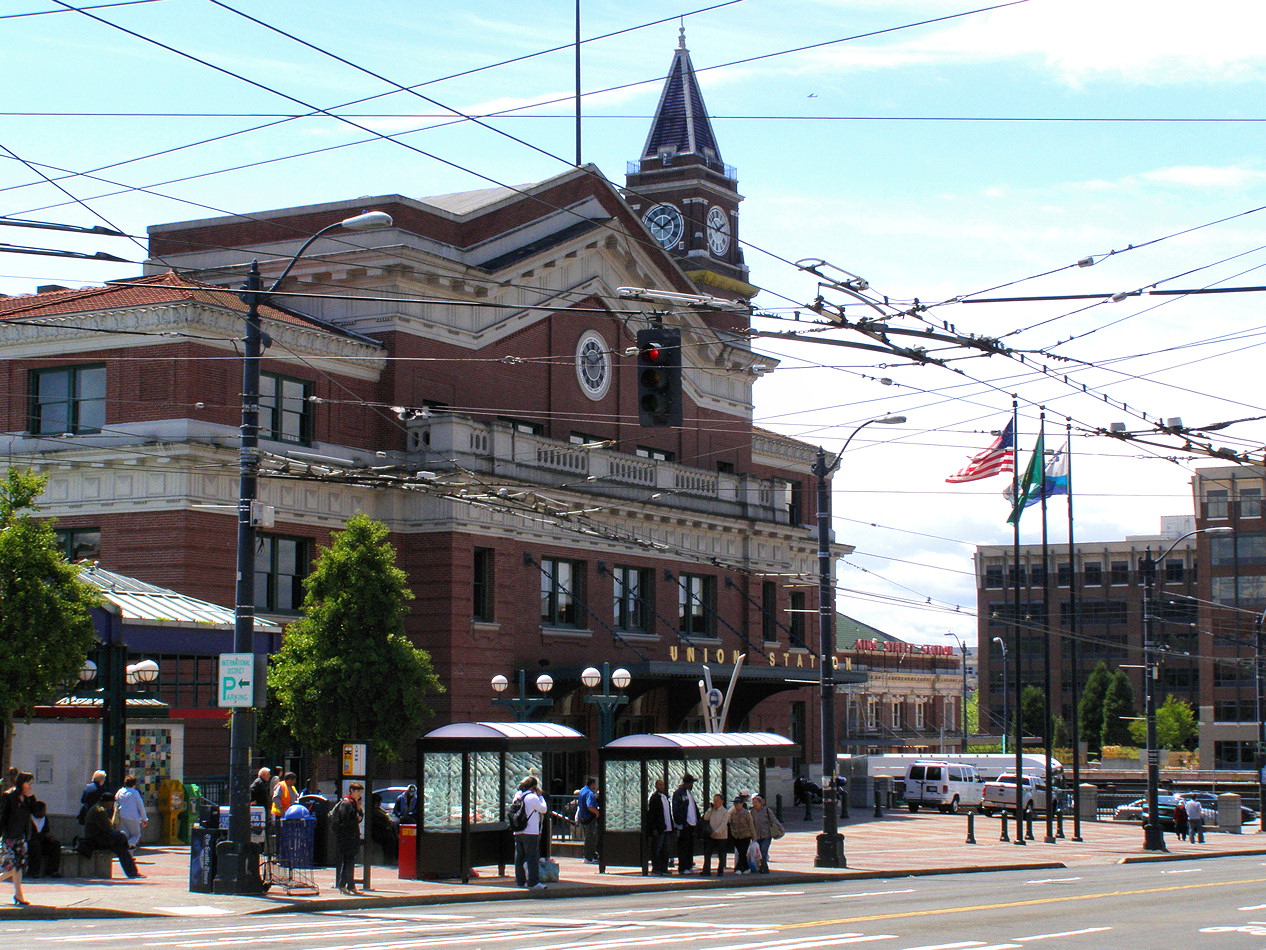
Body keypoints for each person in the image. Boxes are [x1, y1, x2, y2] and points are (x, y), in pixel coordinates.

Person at [84, 791, 144, 879]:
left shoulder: (97, 807)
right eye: (112, 803)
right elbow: (108, 828)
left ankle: (132, 872)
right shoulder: (100, 810)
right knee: (121, 835)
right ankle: (131, 869)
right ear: (108, 802)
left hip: (98, 837)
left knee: (121, 849)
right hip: (95, 839)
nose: (112, 805)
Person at [0, 771, 33, 905]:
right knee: (12, 867)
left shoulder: (27, 798)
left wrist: (31, 798)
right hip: (9, 836)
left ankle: (19, 895)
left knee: (18, 867)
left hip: (20, 836)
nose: (30, 786)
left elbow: (33, 813)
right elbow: (2, 817)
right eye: (28, 783)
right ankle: (19, 895)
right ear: (22, 783)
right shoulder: (9, 796)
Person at [511, 775, 548, 891]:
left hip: (518, 830)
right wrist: (541, 796)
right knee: (532, 857)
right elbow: (543, 809)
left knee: (519, 857)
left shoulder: (517, 796)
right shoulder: (532, 797)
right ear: (534, 787)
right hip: (530, 831)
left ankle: (520, 881)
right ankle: (533, 882)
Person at [331, 782, 364, 894]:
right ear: (351, 791)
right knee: (348, 861)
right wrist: (356, 815)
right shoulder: (347, 803)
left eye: (360, 792)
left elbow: (360, 818)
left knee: (350, 861)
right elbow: (345, 820)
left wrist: (359, 810)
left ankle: (350, 885)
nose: (359, 794)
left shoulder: (354, 803)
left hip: (352, 836)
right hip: (347, 837)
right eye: (357, 791)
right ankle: (343, 885)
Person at [671, 773, 700, 874]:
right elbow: (676, 810)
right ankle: (683, 867)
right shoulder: (679, 793)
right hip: (685, 825)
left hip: (692, 824)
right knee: (683, 846)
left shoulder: (689, 793)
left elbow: (693, 808)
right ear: (688, 783)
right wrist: (682, 822)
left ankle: (689, 865)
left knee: (690, 846)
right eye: (691, 783)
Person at [26, 800, 60, 879]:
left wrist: (49, 837)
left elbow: (46, 831)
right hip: (31, 843)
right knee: (35, 845)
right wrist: (44, 835)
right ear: (37, 811)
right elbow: (29, 835)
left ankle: (52, 870)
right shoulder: (28, 819)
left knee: (56, 844)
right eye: (43, 810)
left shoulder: (45, 819)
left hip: (42, 842)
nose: (44, 812)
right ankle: (34, 871)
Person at [645, 778, 673, 876]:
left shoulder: (665, 798)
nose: (662, 787)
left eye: (663, 785)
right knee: (657, 848)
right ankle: (656, 868)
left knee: (665, 849)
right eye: (660, 785)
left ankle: (664, 868)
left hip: (667, 828)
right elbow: (652, 814)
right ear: (656, 786)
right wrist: (654, 828)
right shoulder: (654, 798)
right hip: (659, 828)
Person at [749, 794, 783, 873]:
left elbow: (774, 820)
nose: (754, 804)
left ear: (761, 803)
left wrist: (781, 829)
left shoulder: (767, 811)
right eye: (753, 802)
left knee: (764, 851)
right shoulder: (752, 812)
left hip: (766, 834)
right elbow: (750, 823)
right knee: (759, 852)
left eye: (756, 802)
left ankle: (763, 867)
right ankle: (764, 867)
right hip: (757, 835)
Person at [115, 775, 148, 850]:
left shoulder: (120, 791)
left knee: (126, 835)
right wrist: (144, 818)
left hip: (122, 816)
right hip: (134, 817)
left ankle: (128, 855)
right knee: (136, 835)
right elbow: (140, 806)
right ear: (134, 784)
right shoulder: (135, 793)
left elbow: (116, 803)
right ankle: (127, 845)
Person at [700, 793, 729, 877]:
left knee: (721, 854)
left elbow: (724, 824)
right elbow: (705, 818)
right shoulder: (712, 810)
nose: (715, 802)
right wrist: (710, 809)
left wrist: (717, 832)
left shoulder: (725, 812)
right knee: (708, 853)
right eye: (714, 801)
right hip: (711, 835)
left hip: (721, 836)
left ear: (722, 802)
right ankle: (706, 870)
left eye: (717, 801)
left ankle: (720, 870)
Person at [727, 795, 756, 874]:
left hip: (746, 835)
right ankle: (746, 868)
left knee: (743, 852)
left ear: (742, 803)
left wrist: (754, 836)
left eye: (738, 803)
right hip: (736, 836)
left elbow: (751, 825)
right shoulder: (732, 813)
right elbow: (730, 822)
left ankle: (738, 868)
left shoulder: (746, 813)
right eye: (735, 803)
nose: (736, 805)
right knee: (740, 852)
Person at [576, 777, 601, 864]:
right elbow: (590, 806)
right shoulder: (589, 793)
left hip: (583, 817)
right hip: (590, 818)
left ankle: (590, 855)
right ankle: (589, 857)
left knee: (587, 837)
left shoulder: (582, 790)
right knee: (591, 838)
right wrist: (597, 812)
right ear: (592, 784)